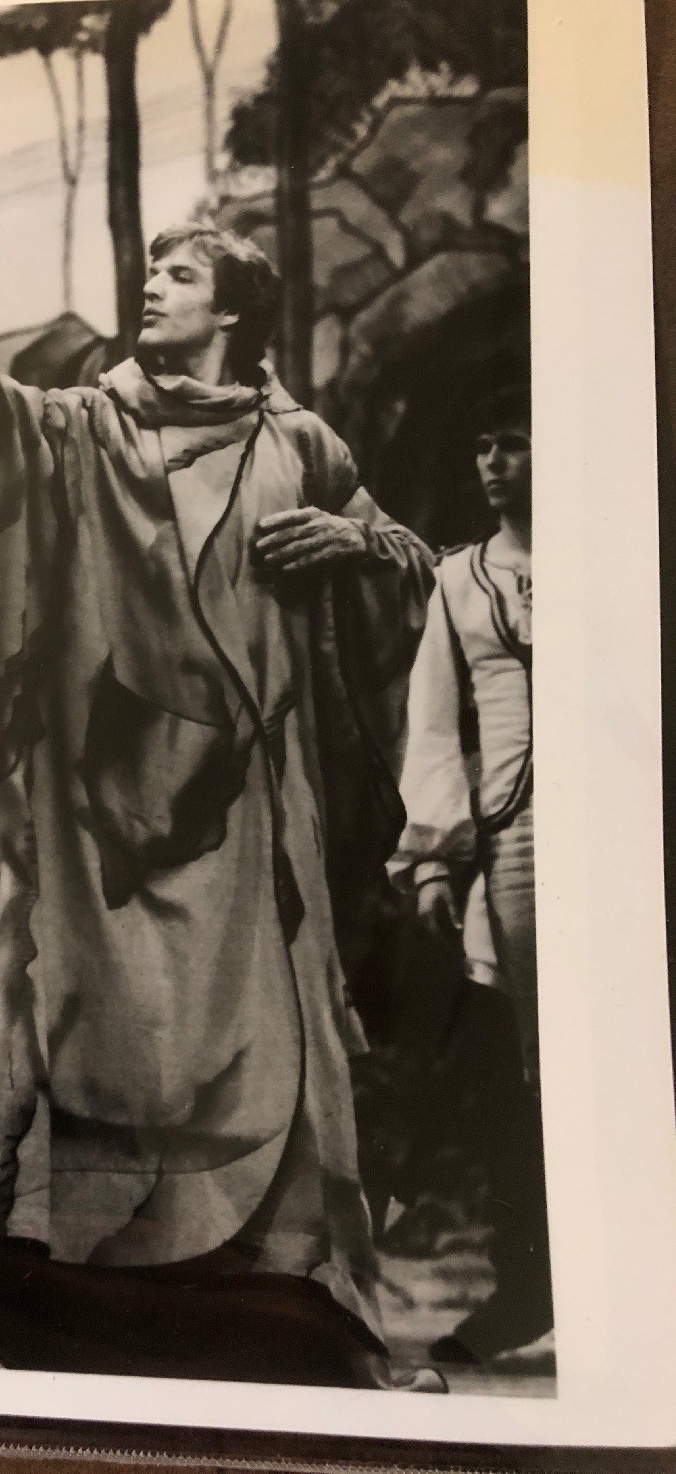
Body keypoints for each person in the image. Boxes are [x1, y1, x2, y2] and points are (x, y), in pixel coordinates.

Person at [0, 223, 438, 1389]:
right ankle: (74, 1311)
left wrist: (354, 544)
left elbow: (409, 560)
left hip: (251, 804)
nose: (151, 288)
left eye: (179, 275)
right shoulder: (85, 422)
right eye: (151, 269)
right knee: (63, 1020)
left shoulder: (301, 443)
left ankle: (286, 1316)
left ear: (232, 313)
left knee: (274, 1031)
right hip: (93, 804)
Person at [390, 383, 550, 1364]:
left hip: (617, 833)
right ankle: (527, 1284)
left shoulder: (615, 550)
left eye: (517, 443)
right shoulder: (462, 578)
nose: (496, 462)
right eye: (484, 446)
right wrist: (439, 856)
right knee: (520, 1063)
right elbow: (437, 724)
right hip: (515, 838)